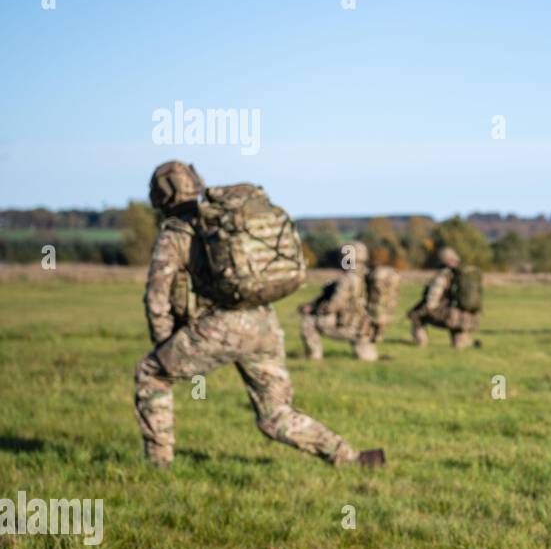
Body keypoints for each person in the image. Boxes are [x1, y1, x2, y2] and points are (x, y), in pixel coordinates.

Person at [134, 161, 383, 468]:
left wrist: (166, 346)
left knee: (152, 374)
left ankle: (158, 467)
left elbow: (156, 300)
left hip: (218, 327)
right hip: (263, 322)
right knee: (274, 414)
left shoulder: (175, 235)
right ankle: (351, 457)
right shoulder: (220, 224)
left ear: (161, 196)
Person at [299, 242, 379, 361]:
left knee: (309, 323)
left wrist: (313, 309)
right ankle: (367, 353)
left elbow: (333, 306)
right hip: (368, 327)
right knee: (367, 360)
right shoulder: (370, 276)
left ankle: (314, 358)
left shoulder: (348, 279)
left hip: (349, 325)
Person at [407, 246, 481, 349]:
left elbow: (433, 298)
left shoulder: (444, 274)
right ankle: (460, 342)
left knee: (415, 315)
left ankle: (421, 343)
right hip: (470, 317)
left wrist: (425, 309)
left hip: (451, 316)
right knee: (457, 327)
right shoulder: (467, 274)